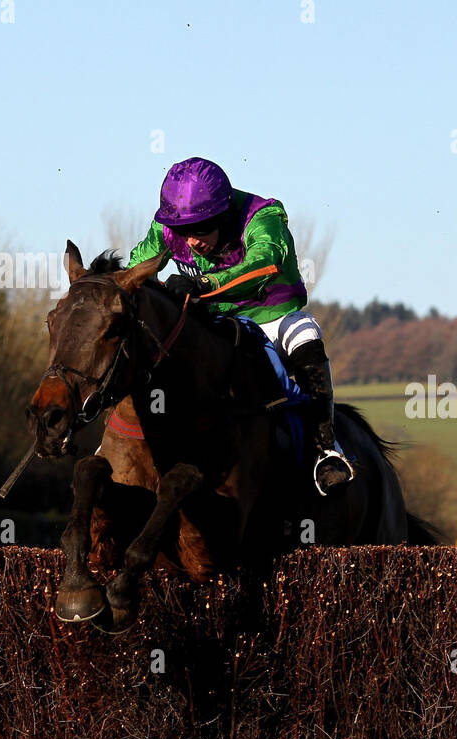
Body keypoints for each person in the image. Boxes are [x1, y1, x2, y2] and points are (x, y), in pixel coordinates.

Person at [127, 157, 354, 495]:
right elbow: (137, 268)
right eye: (184, 232)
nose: (190, 241)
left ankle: (328, 449)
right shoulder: (169, 228)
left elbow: (262, 265)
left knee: (306, 333)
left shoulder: (263, 218)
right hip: (213, 322)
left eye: (200, 229)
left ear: (223, 214)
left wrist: (203, 284)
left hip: (272, 316)